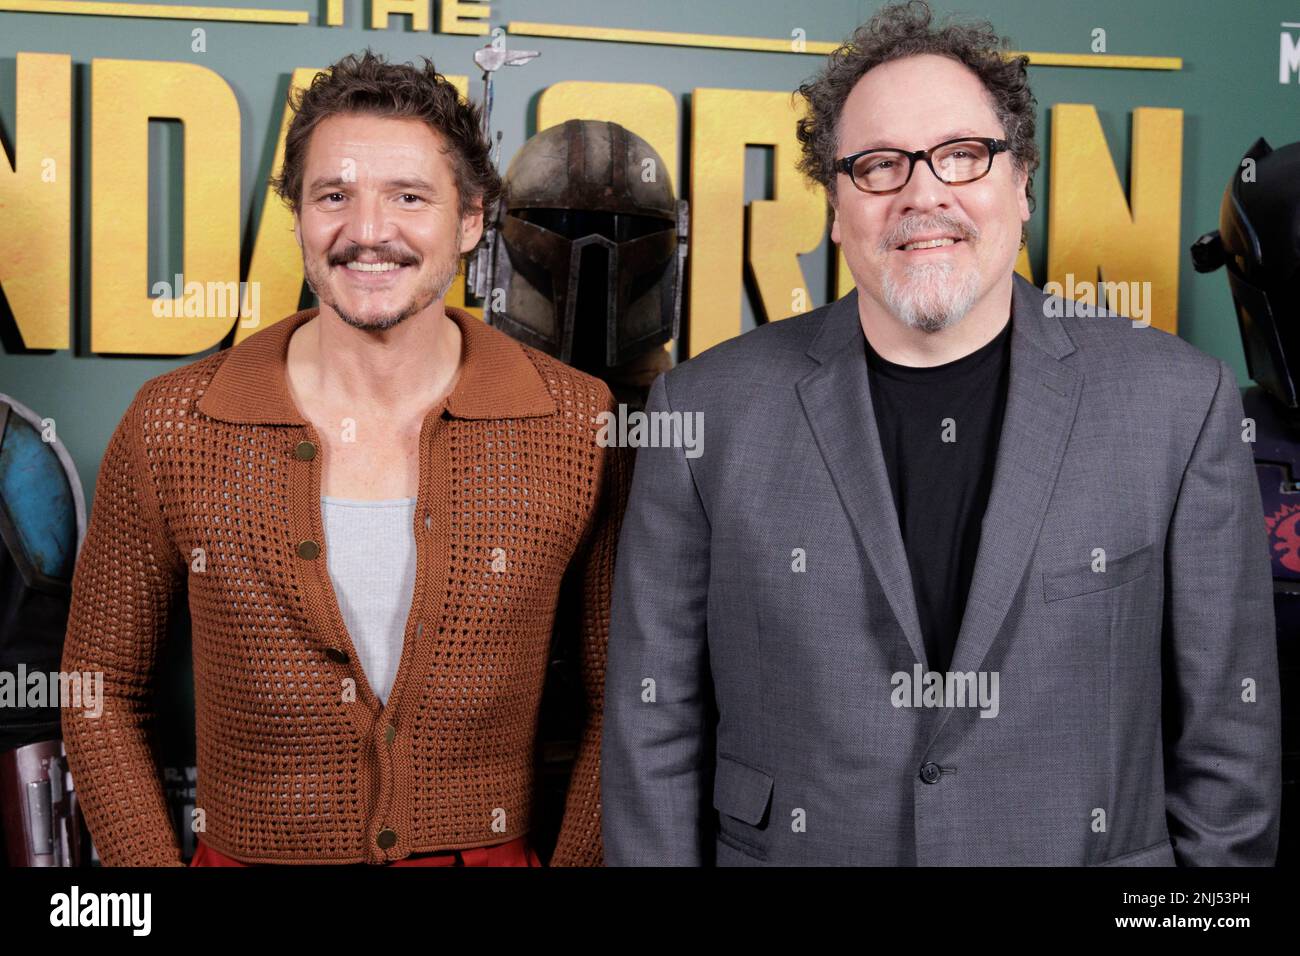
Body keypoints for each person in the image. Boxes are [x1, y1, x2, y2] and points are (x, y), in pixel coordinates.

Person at [602, 0, 1280, 865]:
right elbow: (654, 734)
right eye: (880, 166)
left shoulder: (1178, 402)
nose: (925, 195)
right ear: (835, 207)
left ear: (1021, 184)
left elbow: (1229, 746)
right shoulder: (704, 416)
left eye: (963, 155)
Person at [60, 50, 628, 867]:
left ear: (469, 220)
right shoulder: (175, 422)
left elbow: (632, 700)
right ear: (295, 217)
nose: (368, 232)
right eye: (335, 195)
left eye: (408, 196)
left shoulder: (578, 422)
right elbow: (95, 688)